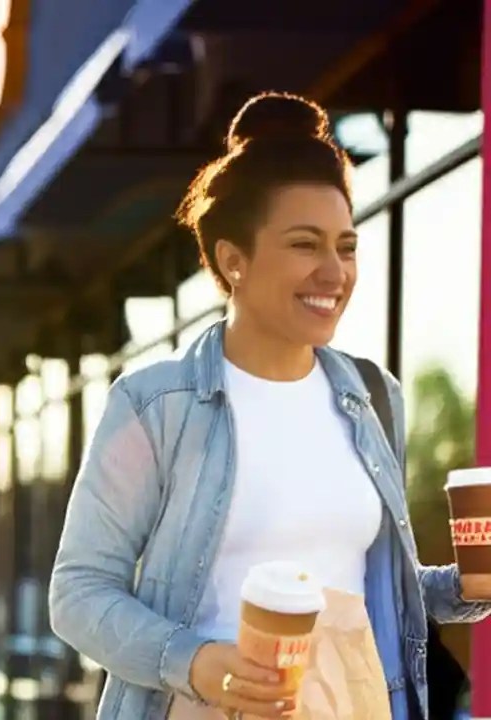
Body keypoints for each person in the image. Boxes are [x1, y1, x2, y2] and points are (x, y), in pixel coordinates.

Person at [47, 90, 491, 719]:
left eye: (346, 245)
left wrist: (467, 587)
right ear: (234, 261)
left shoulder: (373, 399)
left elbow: (378, 591)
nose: (334, 273)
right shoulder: (156, 407)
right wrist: (196, 661)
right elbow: (79, 593)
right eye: (305, 245)